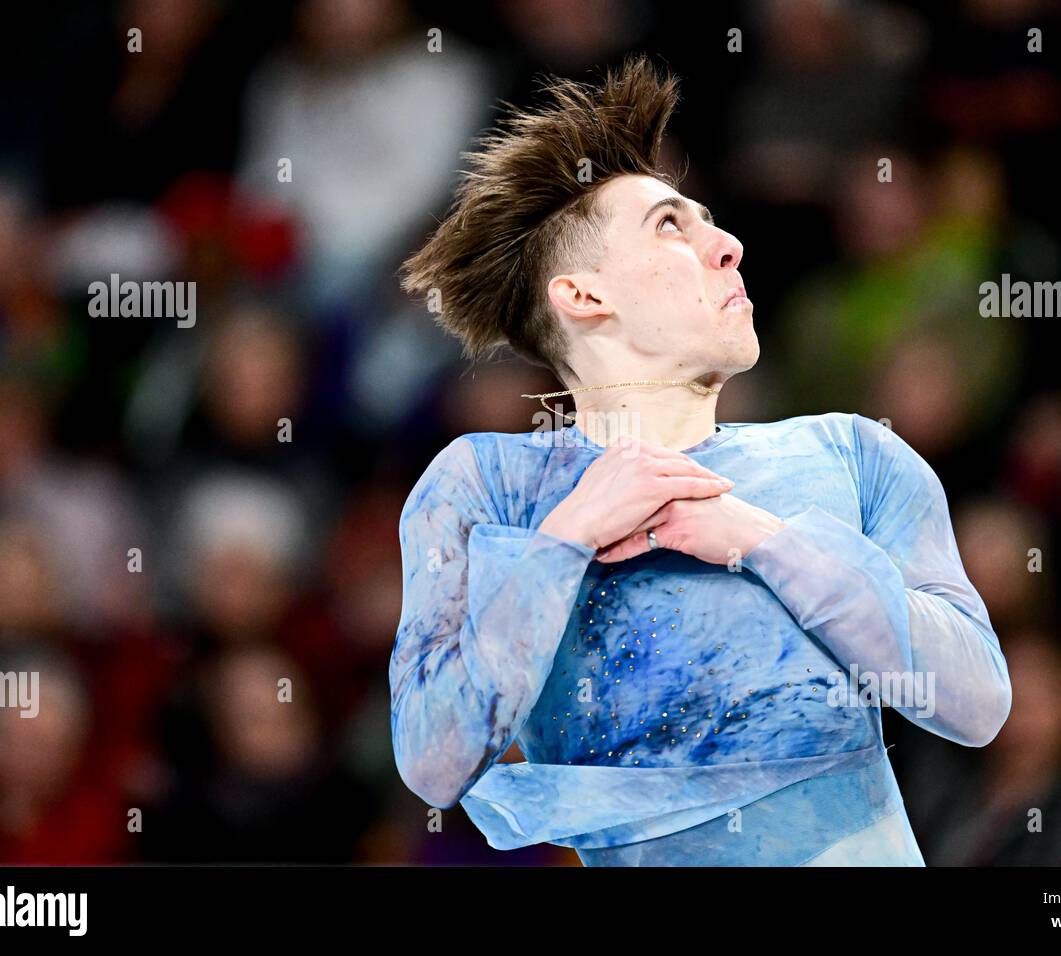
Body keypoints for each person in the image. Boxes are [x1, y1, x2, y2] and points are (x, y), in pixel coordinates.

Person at [388, 55, 1011, 866]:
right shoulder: (489, 485)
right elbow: (435, 762)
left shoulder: (857, 452)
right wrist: (566, 537)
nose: (729, 245)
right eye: (671, 227)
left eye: (709, 221)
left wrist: (763, 540)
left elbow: (977, 701)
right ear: (582, 296)